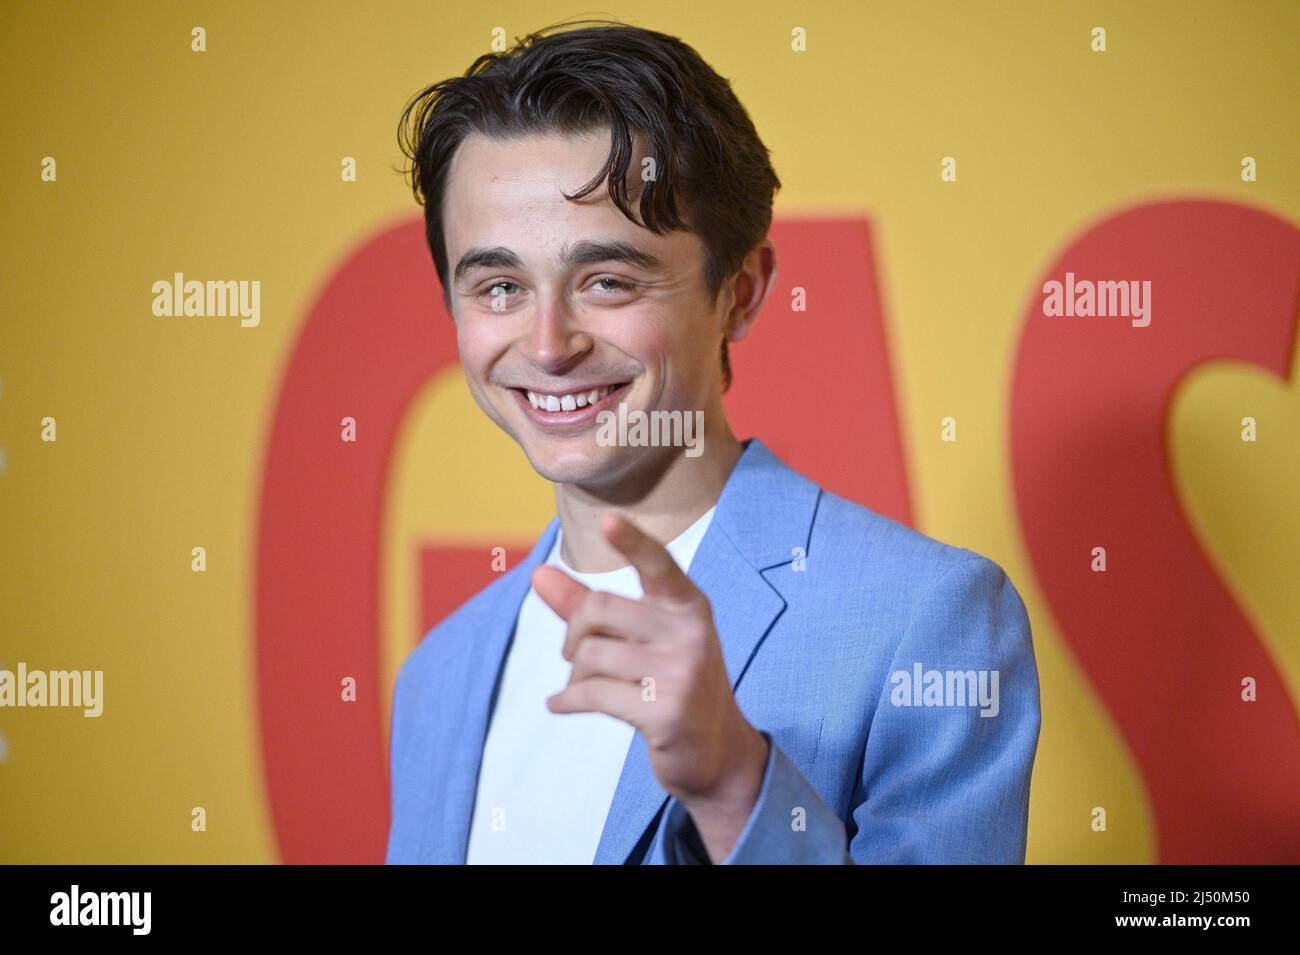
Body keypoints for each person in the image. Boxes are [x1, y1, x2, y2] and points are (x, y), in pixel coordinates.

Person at [386, 19, 1041, 864]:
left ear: (740, 291)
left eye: (608, 280)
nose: (548, 344)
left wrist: (737, 785)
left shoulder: (932, 621)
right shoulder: (439, 673)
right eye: (500, 285)